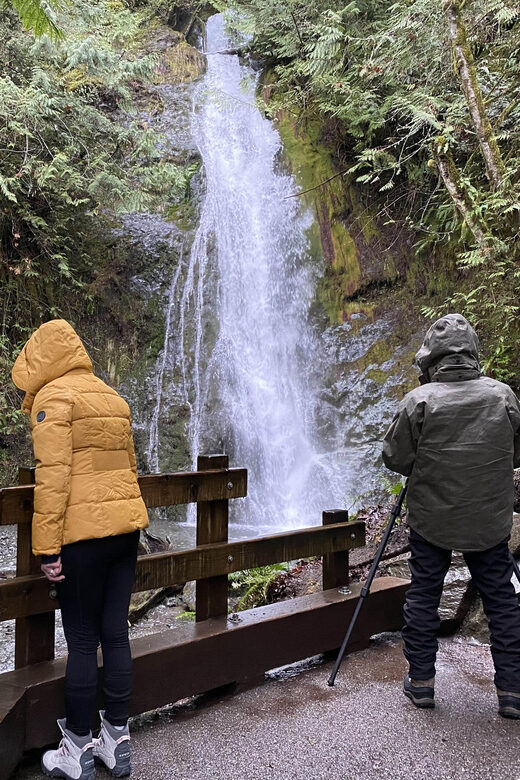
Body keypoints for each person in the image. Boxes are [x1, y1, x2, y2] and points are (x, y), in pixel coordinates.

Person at [12, 319, 149, 778]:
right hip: (124, 533)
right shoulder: (113, 397)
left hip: (83, 539)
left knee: (84, 640)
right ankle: (117, 740)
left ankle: (76, 749)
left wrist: (46, 549)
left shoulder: (54, 399)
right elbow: (129, 469)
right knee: (116, 634)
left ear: (43, 359)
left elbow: (52, 478)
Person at [382, 313, 520, 718]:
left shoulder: (419, 400)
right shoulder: (502, 396)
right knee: (502, 599)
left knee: (425, 594)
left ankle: (421, 682)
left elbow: (395, 458)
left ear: (432, 356)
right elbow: (515, 454)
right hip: (489, 519)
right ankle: (512, 690)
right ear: (473, 352)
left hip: (432, 519)